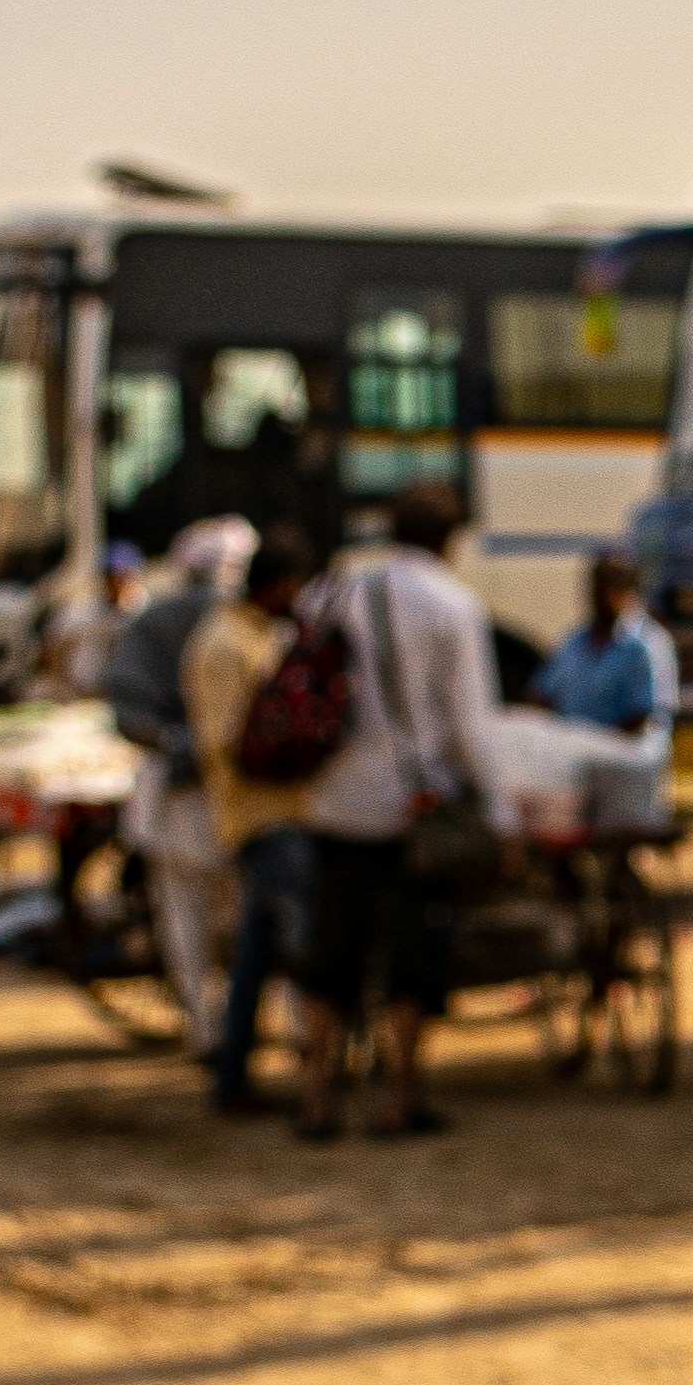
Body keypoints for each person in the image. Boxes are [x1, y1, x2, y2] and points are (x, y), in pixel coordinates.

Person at [289, 487, 502, 1145]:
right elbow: (470, 722)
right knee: (413, 957)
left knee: (332, 954)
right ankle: (401, 1098)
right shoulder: (451, 605)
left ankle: (318, 1099)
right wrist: (500, 808)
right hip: (412, 806)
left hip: (331, 800)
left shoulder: (326, 592)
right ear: (448, 540)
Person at [183, 519, 319, 1114]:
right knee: (299, 946)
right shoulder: (227, 644)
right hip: (262, 814)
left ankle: (233, 1077)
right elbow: (226, 742)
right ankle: (316, 1075)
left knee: (255, 955)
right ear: (282, 582)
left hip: (270, 812)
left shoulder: (253, 634)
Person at [116, 519, 257, 1042]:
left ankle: (208, 1029)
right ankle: (246, 1027)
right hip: (236, 794)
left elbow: (129, 711)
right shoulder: (252, 624)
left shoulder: (152, 623)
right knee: (246, 916)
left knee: (186, 918)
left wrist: (178, 745)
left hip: (180, 798)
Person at [537, 548, 676, 823]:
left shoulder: (647, 644)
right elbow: (542, 694)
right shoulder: (575, 642)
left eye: (612, 584)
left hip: (625, 754)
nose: (601, 593)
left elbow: (640, 717)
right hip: (575, 755)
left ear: (630, 591)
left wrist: (586, 743)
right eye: (597, 584)